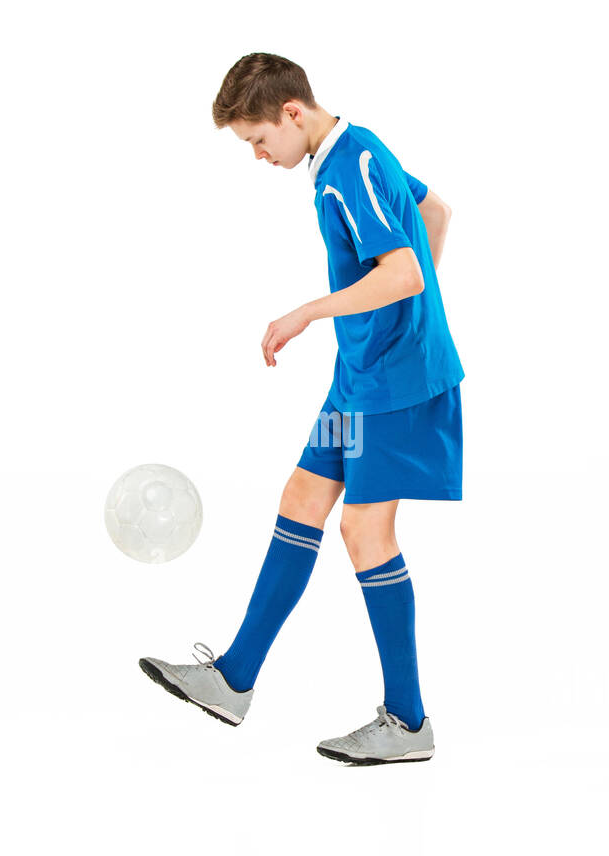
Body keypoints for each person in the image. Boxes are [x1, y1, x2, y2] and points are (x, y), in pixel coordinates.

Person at [139, 53, 464, 765]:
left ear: (292, 112)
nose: (258, 156)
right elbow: (434, 212)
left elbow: (405, 270)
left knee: (365, 534)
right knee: (301, 497)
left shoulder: (356, 162)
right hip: (359, 378)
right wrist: (397, 318)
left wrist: (312, 314)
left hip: (396, 385)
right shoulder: (337, 161)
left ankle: (407, 723)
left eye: (258, 140)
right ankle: (234, 678)